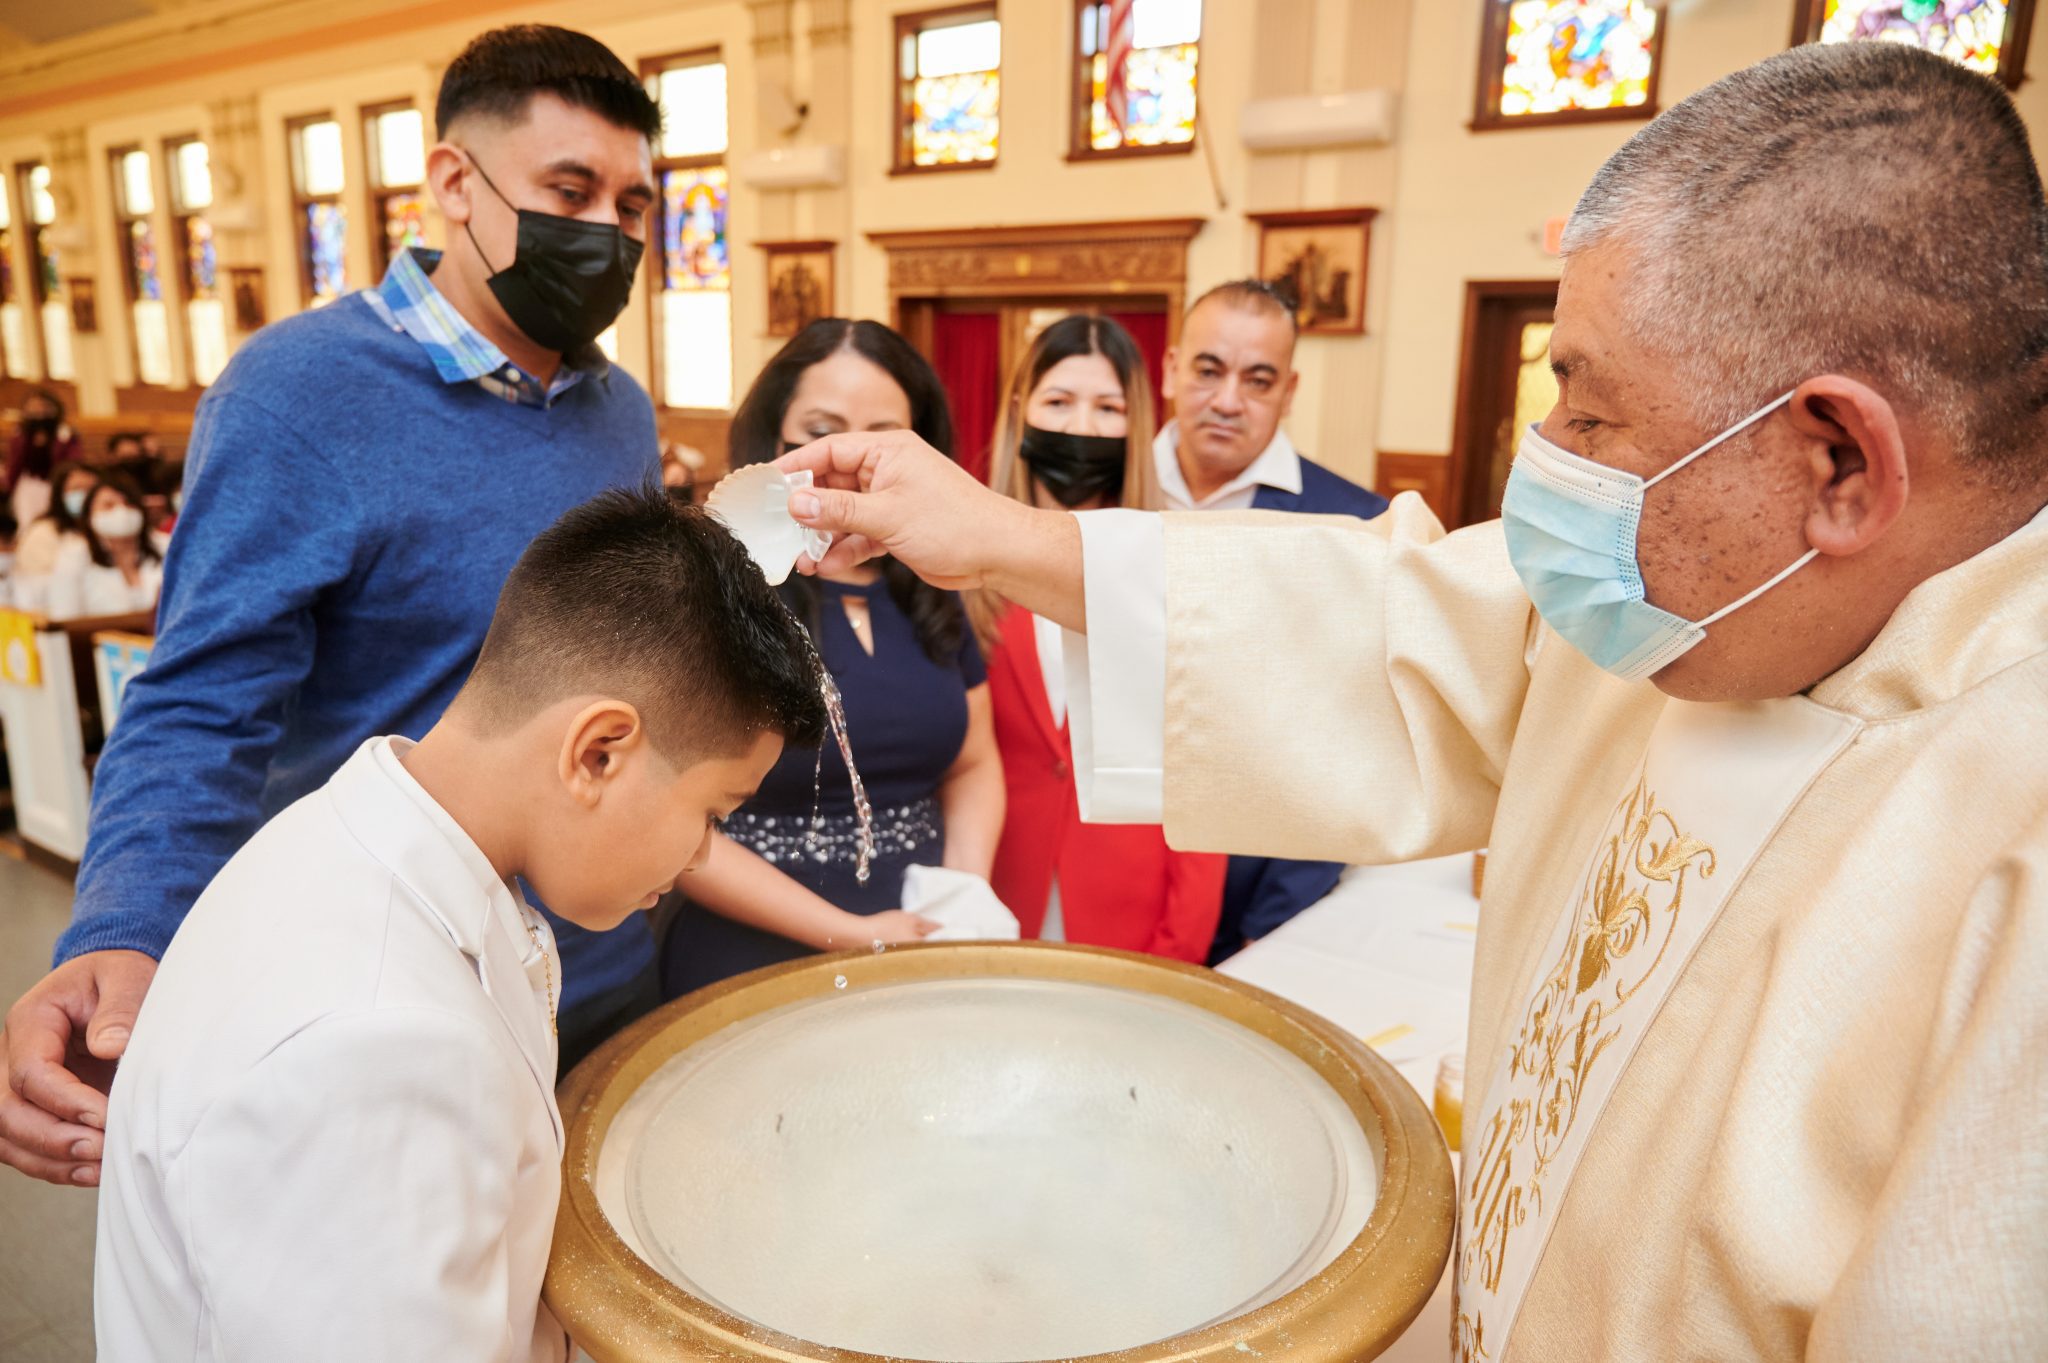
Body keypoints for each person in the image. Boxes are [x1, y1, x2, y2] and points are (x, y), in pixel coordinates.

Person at [778, 43, 2048, 1361]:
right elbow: (1390, 631)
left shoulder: (2014, 858)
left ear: (1838, 462)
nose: (1543, 459)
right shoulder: (1698, 597)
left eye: (1592, 412)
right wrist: (995, 534)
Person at [1, 23, 666, 1190]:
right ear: (455, 185)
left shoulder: (618, 412)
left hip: (600, 971)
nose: (608, 231)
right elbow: (204, 700)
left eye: (633, 202)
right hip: (395, 997)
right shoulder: (297, 394)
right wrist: (124, 927)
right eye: (571, 190)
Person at [94, 487, 825, 1362]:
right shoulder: (375, 1044)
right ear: (598, 752)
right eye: (714, 808)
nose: (704, 855)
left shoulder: (352, 839)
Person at [658, 319, 1001, 996]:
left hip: (920, 943)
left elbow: (975, 759)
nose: (846, 459)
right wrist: (851, 931)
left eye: (879, 439)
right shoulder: (715, 585)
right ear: (773, 439)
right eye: (822, 431)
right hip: (752, 946)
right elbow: (668, 815)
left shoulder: (934, 581)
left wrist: (962, 895)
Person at [971, 314, 1226, 962]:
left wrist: (1180, 944)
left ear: (1134, 422)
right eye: (1059, 402)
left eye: (1107, 408)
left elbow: (1197, 777)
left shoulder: (1176, 564)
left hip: (1131, 912)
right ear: (1023, 410)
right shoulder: (963, 564)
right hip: (997, 901)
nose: (1081, 428)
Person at [1156, 279, 1390, 962]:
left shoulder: (1349, 525)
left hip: (1253, 878)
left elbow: (1349, 741)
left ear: (1288, 392)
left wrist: (1285, 909)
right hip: (1099, 869)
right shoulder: (1102, 493)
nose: (1228, 400)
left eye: (1258, 381)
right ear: (1171, 368)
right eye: (1208, 370)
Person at [77, 472, 165, 618]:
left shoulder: (166, 546)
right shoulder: (75, 558)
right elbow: (66, 619)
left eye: (128, 503)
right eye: (109, 505)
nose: (121, 510)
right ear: (89, 515)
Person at [4, 387, 82, 527]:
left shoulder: (65, 433)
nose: (39, 411)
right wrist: (10, 485)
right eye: (34, 407)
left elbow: (73, 461)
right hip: (30, 485)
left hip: (56, 485)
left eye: (43, 406)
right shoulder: (21, 434)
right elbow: (15, 463)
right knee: (28, 523)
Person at [12, 457, 95, 579]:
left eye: (91, 489)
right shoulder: (43, 532)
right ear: (59, 494)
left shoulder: (103, 530)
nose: (86, 496)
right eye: (77, 489)